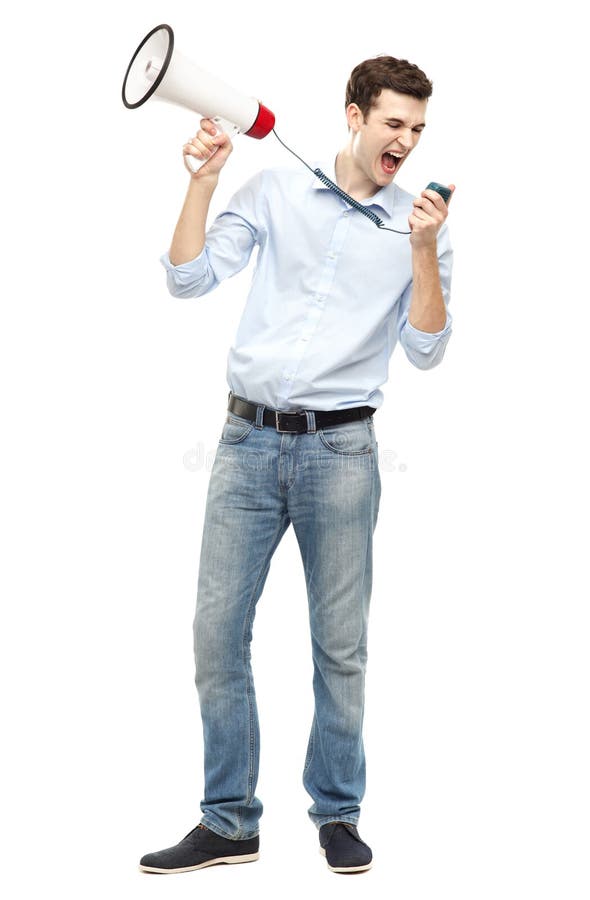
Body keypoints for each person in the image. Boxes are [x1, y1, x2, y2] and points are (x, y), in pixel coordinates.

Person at [139, 54, 454, 876]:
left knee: (339, 645)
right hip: (245, 446)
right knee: (216, 636)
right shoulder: (278, 192)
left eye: (418, 130)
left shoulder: (421, 222)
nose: (406, 142)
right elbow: (186, 278)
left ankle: (338, 814)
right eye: (394, 123)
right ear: (354, 115)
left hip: (342, 453)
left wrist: (423, 249)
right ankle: (229, 821)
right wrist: (204, 181)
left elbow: (425, 348)